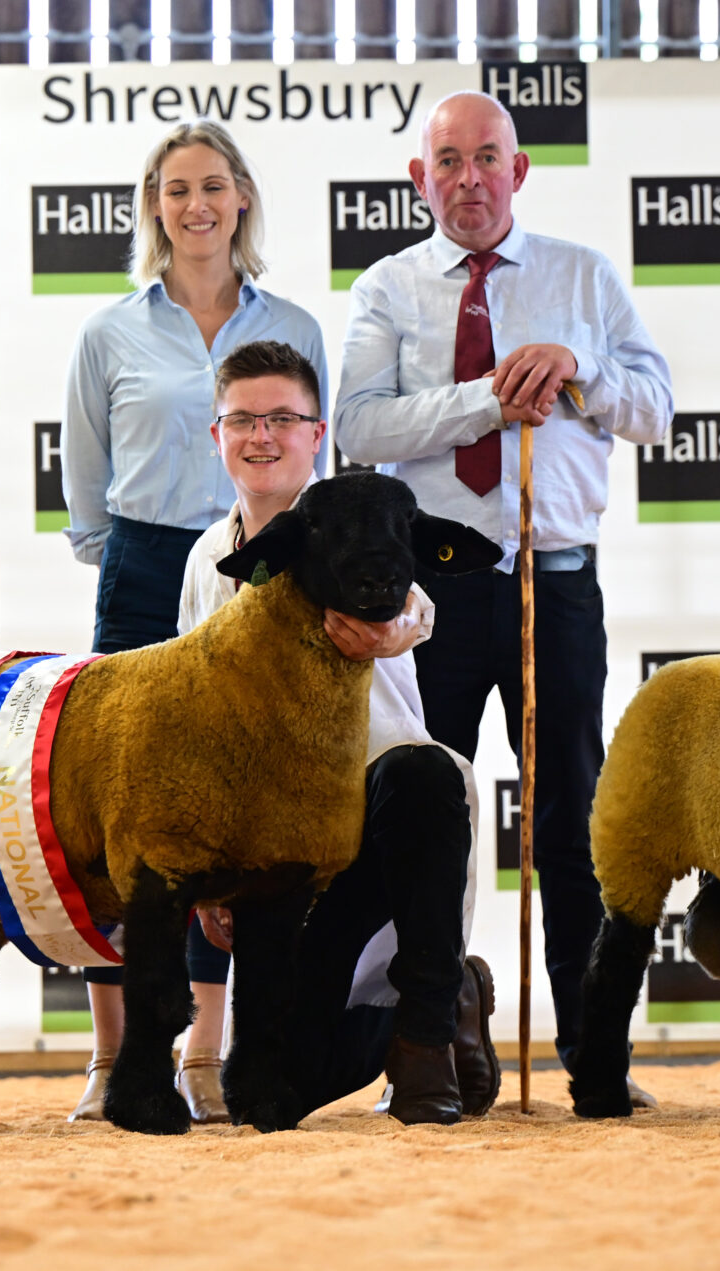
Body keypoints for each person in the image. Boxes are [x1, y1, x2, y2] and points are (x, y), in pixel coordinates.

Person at [334, 90, 672, 1092]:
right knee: (416, 819)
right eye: (448, 161)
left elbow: (653, 408)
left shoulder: (582, 276)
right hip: (431, 595)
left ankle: (592, 1053)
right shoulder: (388, 289)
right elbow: (358, 427)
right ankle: (420, 1040)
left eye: (488, 158)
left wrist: (579, 371)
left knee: (574, 823)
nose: (469, 179)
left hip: (554, 582)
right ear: (419, 178)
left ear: (517, 171)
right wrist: (485, 398)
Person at [58, 120, 328, 1122]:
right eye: (176, 189)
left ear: (243, 198)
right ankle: (113, 1055)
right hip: (143, 566)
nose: (196, 205)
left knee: (234, 815)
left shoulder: (294, 324)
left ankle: (207, 1052)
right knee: (119, 812)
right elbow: (84, 478)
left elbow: (311, 460)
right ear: (153, 206)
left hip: (257, 570)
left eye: (213, 185)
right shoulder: (108, 332)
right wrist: (134, 555)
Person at [169, 339, 496, 1125]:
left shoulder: (363, 516)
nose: (262, 435)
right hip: (279, 848)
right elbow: (194, 714)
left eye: (283, 417)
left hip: (379, 819)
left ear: (318, 433)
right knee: (269, 1093)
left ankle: (424, 1046)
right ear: (217, 435)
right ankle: (455, 995)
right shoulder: (207, 558)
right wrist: (211, 873)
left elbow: (415, 600)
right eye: (243, 419)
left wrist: (399, 628)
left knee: (427, 772)